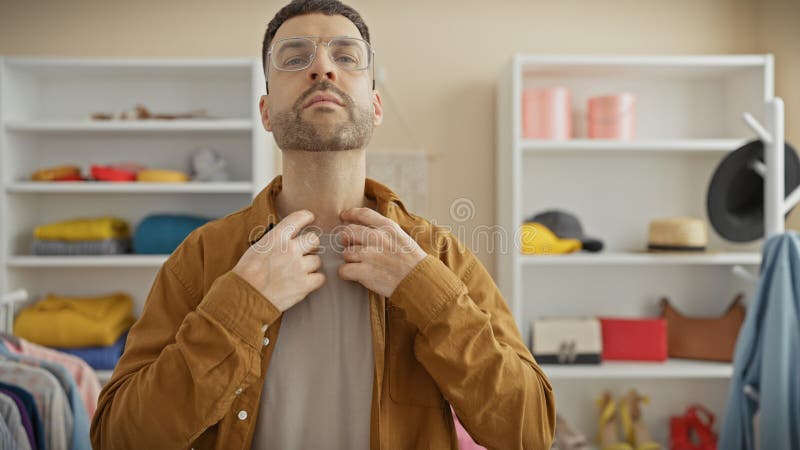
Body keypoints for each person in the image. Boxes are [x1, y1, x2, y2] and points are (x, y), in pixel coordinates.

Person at [89, 0, 556, 448]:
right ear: (266, 112)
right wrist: (241, 305)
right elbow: (118, 438)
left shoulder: (440, 256)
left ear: (375, 107)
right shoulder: (204, 256)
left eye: (346, 56)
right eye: (295, 58)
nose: (322, 69)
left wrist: (429, 296)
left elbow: (529, 432)